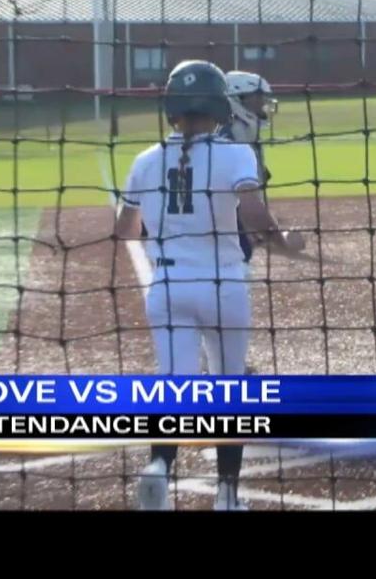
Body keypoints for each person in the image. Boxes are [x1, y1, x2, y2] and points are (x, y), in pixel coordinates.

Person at [114, 60, 304, 511]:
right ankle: (227, 496)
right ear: (220, 105)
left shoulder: (145, 159)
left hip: (168, 286)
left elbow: (126, 230)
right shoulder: (236, 154)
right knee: (229, 390)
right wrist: (284, 241)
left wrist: (163, 230)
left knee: (174, 385)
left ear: (172, 107)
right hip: (223, 286)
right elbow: (254, 216)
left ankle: (159, 466)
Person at [221, 71, 277, 262]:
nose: (263, 103)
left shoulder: (243, 128)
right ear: (239, 98)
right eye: (258, 97)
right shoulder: (232, 132)